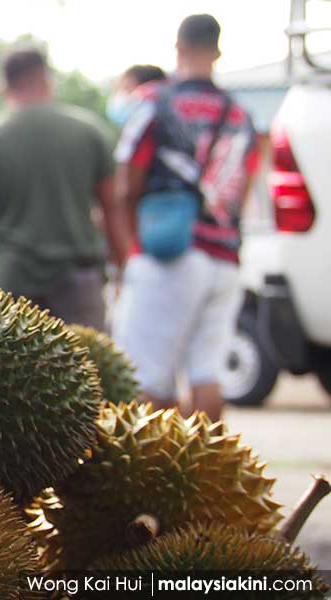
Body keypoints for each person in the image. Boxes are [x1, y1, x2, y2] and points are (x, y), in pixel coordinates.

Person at [110, 14, 259, 420]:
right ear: (217, 52)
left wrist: (130, 254)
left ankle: (150, 463)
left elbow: (126, 187)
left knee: (147, 379)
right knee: (206, 375)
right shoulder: (239, 115)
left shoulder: (156, 105)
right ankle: (206, 461)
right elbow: (243, 190)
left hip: (169, 254)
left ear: (178, 47)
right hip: (225, 258)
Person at [0, 45, 123, 330]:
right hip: (79, 281)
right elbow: (112, 208)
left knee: (15, 360)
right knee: (86, 356)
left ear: (4, 85)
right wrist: (121, 270)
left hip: (16, 282)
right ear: (46, 78)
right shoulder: (89, 131)